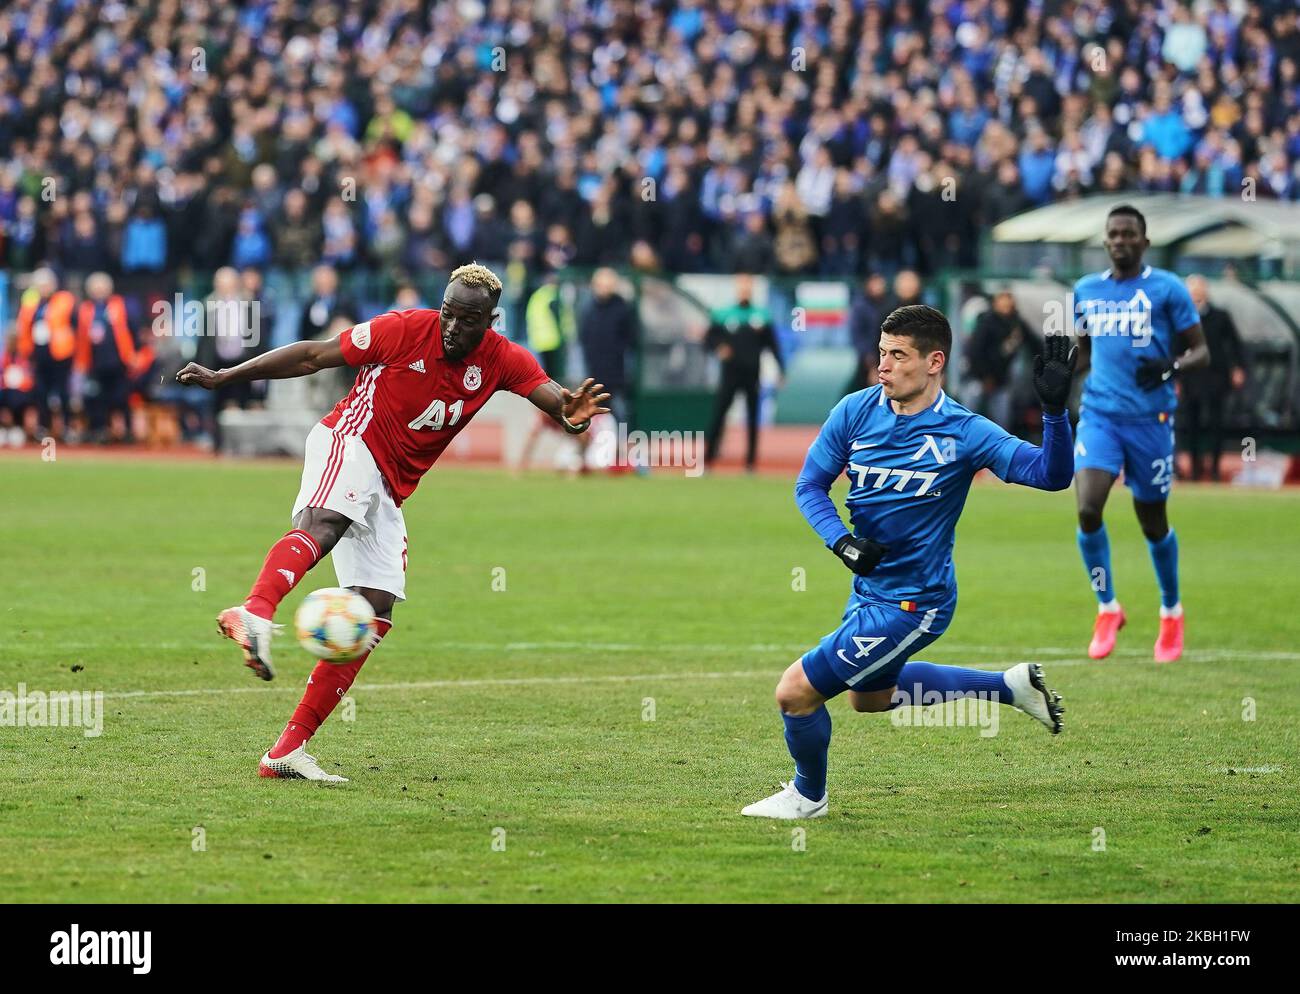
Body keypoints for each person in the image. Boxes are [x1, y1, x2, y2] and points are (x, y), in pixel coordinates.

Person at [175, 263, 610, 781]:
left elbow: (553, 399)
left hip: (389, 486)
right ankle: (256, 609)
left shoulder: (502, 359)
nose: (452, 327)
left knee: (375, 610)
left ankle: (286, 752)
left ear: (491, 321)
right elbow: (313, 355)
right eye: (448, 313)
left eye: (468, 320)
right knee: (326, 521)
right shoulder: (402, 329)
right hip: (350, 441)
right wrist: (227, 376)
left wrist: (568, 414)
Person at [742, 305, 1074, 819]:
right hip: (871, 592)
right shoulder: (854, 411)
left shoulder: (966, 432)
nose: (884, 366)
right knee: (869, 699)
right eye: (881, 353)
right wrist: (841, 541)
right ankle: (1009, 687)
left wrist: (1055, 412)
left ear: (934, 361)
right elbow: (809, 484)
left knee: (795, 693)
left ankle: (808, 797)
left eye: (898, 356)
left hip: (915, 602)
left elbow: (1051, 476)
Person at [1071, 205, 1210, 664]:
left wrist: (1172, 365)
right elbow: (1085, 351)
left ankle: (1171, 612)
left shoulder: (1167, 288)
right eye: (1113, 233)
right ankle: (1107, 606)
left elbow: (1201, 351)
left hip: (1152, 421)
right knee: (1089, 508)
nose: (1120, 240)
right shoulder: (1085, 290)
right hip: (1100, 416)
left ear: (1144, 242)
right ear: (1105, 240)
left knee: (1152, 520)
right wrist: (1062, 373)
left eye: (1129, 233)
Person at [704, 273, 783, 471]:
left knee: (753, 416)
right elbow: (709, 338)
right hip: (730, 373)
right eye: (741, 287)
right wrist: (719, 347)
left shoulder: (761, 316)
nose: (744, 291)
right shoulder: (724, 314)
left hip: (752, 373)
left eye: (748, 288)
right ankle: (709, 458)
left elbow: (773, 345)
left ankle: (750, 462)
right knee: (720, 413)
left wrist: (781, 369)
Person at [1181, 275, 1247, 482]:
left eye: (1199, 291)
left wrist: (1238, 368)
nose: (1196, 296)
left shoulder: (1220, 316)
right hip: (1190, 377)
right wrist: (1175, 377)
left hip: (1216, 376)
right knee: (1191, 424)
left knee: (1217, 424)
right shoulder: (1181, 317)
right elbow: (1174, 347)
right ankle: (1194, 469)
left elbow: (1235, 344)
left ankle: (1216, 469)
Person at [73, 272, 137, 443]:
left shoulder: (120, 305)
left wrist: (132, 356)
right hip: (95, 363)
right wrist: (81, 363)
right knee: (97, 399)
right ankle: (100, 431)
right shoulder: (86, 309)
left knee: (122, 398)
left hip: (118, 361)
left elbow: (133, 331)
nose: (99, 291)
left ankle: (127, 432)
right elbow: (81, 337)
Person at [15, 268, 77, 441]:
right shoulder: (32, 304)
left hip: (60, 354)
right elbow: (24, 329)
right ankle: (43, 427)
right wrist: (26, 352)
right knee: (41, 392)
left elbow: (73, 325)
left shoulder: (64, 300)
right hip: (39, 355)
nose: (44, 288)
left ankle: (66, 428)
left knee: (62, 392)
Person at [967, 289, 1032, 430]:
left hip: (1001, 380)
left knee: (1002, 424)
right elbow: (975, 351)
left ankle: (999, 449)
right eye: (1002, 302)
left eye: (1009, 303)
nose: (1006, 306)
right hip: (979, 378)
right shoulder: (986, 321)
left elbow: (1033, 343)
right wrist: (985, 376)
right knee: (967, 417)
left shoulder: (1016, 323)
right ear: (995, 304)